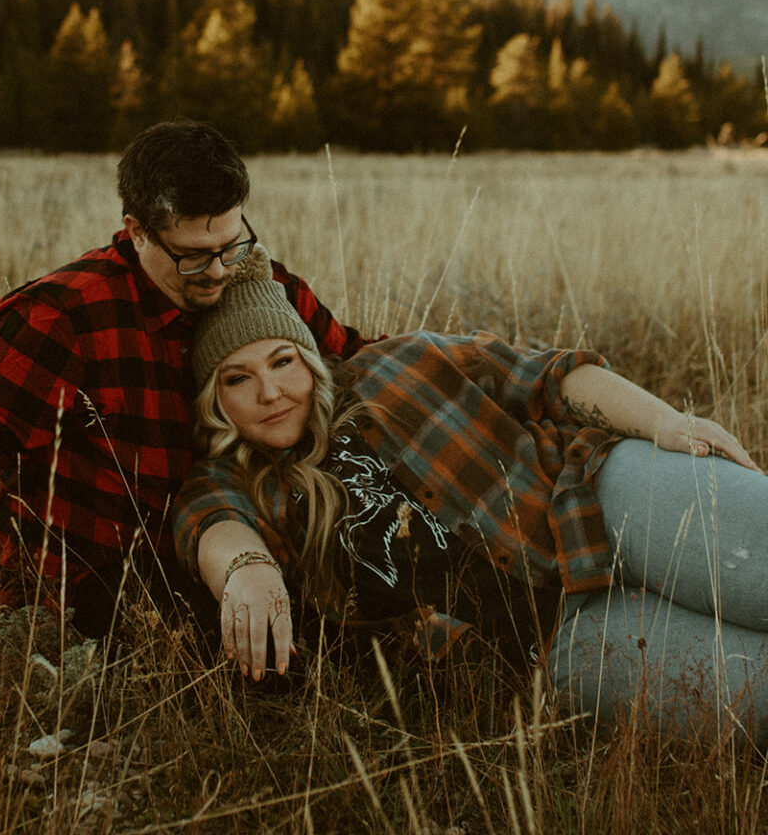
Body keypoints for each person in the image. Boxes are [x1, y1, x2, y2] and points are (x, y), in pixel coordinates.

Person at [0, 121, 363, 703]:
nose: (216, 271)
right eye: (190, 257)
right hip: (99, 586)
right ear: (136, 231)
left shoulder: (259, 282)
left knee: (366, 614)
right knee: (281, 672)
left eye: (230, 244)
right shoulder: (59, 319)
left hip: (249, 542)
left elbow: (358, 365)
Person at [173, 246, 768, 747]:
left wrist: (664, 423)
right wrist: (246, 568)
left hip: (601, 495)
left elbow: (550, 377)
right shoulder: (235, 482)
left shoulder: (394, 365)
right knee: (756, 697)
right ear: (213, 399)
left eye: (283, 362)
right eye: (238, 378)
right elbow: (211, 525)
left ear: (309, 359)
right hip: (553, 641)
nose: (271, 392)